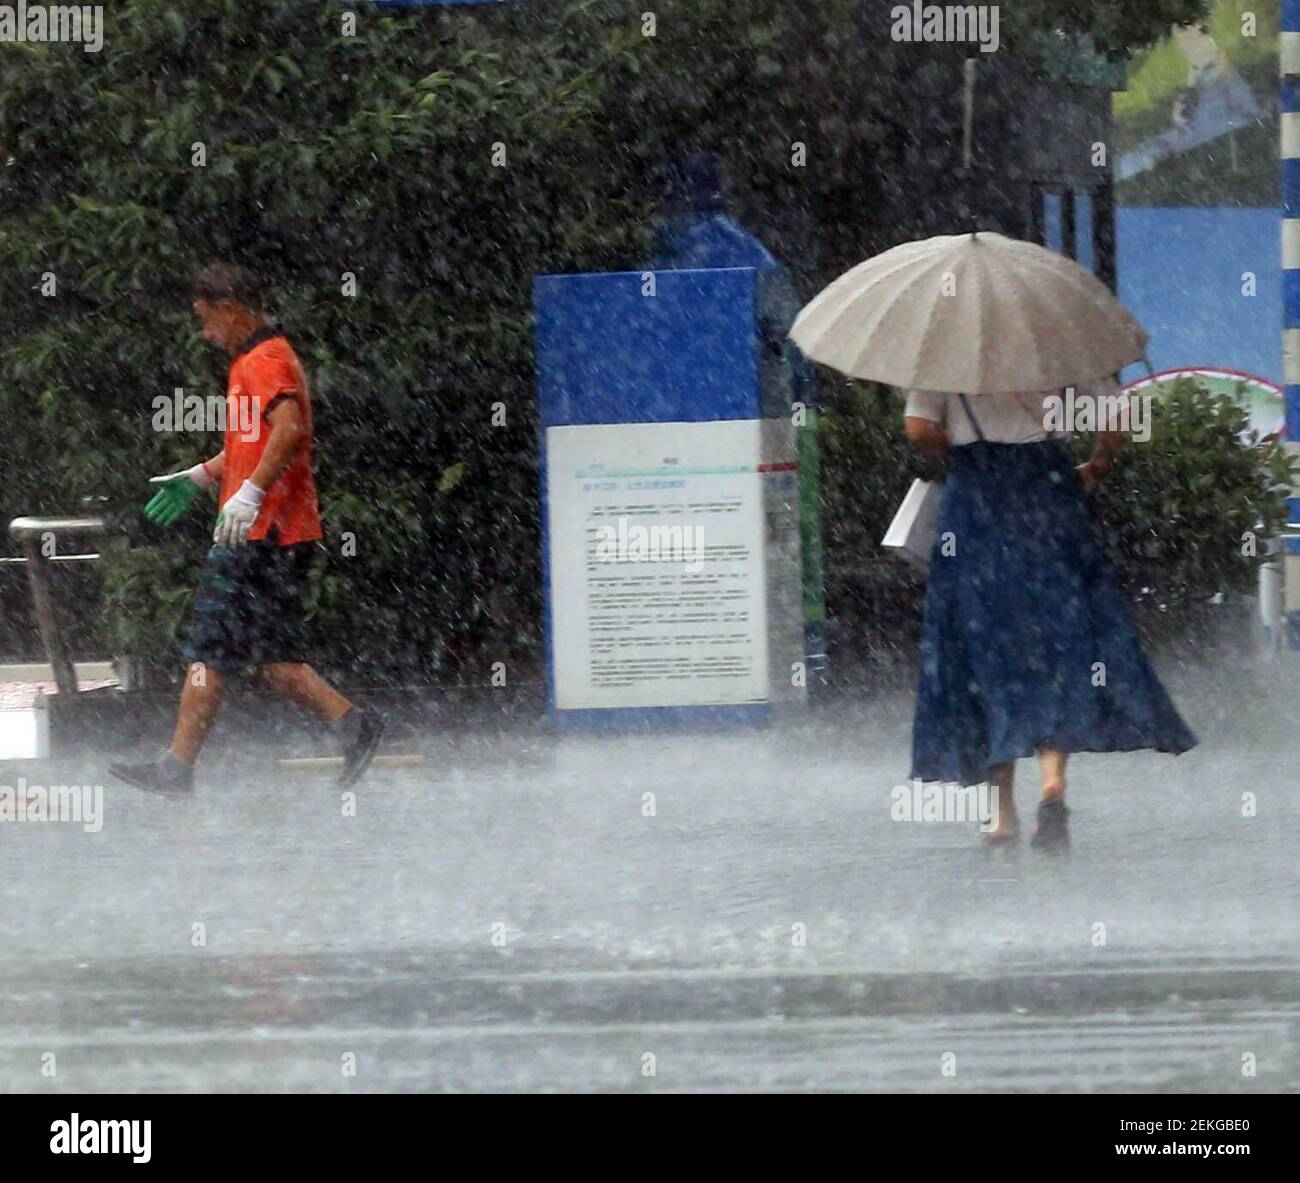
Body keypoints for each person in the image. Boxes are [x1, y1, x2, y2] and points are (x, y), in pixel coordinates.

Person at [109, 263, 383, 794]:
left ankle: (177, 767)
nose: (204, 332)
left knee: (208, 647)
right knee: (274, 660)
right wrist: (203, 476)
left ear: (230, 309)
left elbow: (288, 430)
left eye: (205, 318)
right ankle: (356, 725)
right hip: (278, 534)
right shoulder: (263, 359)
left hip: (257, 535)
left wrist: (252, 493)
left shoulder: (263, 361)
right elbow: (253, 441)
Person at [903, 380, 1197, 851]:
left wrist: (966, 449)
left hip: (977, 508)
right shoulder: (1057, 338)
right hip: (1051, 496)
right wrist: (1097, 465)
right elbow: (1118, 420)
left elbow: (918, 430)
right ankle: (1052, 784)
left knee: (985, 650)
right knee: (1057, 644)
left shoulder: (946, 350)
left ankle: (1000, 815)